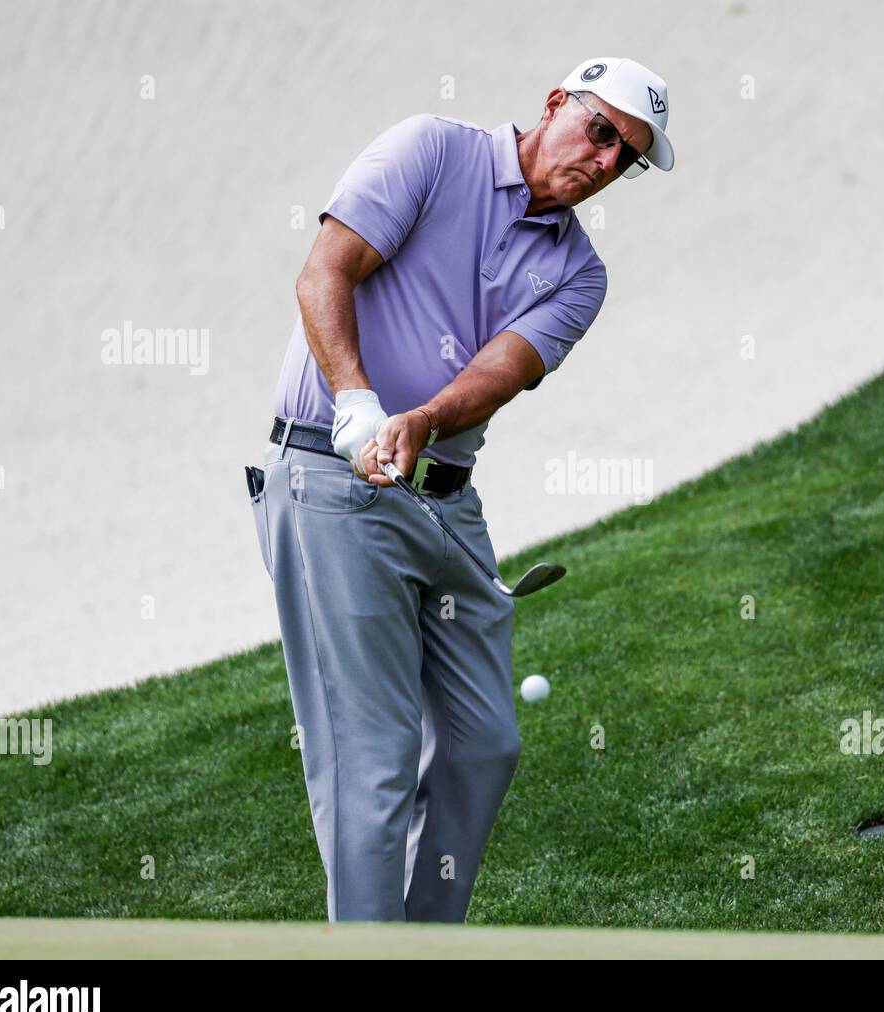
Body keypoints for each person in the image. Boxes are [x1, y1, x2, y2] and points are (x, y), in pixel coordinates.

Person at [246, 57, 675, 922]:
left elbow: (501, 370)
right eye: (599, 132)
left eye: (623, 158)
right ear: (556, 102)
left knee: (485, 743)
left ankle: (425, 942)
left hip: (445, 498)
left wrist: (422, 421)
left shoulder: (580, 274)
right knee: (373, 760)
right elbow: (323, 273)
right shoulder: (431, 152)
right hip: (334, 483)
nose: (602, 163)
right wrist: (361, 404)